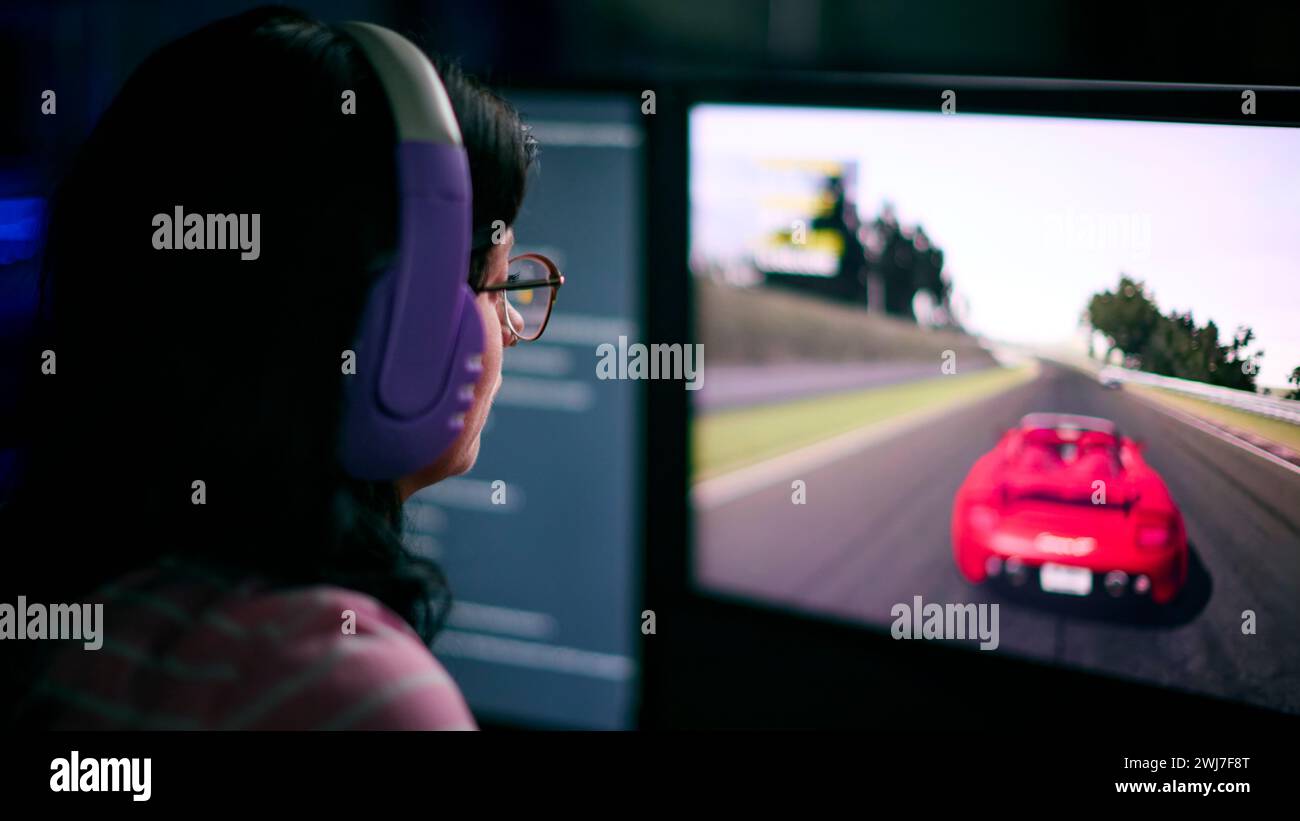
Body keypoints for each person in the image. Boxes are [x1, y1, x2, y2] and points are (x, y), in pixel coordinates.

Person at [0, 7, 551, 730]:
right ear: (405, 325)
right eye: (500, 283)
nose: (511, 328)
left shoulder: (74, 617)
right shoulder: (343, 689)